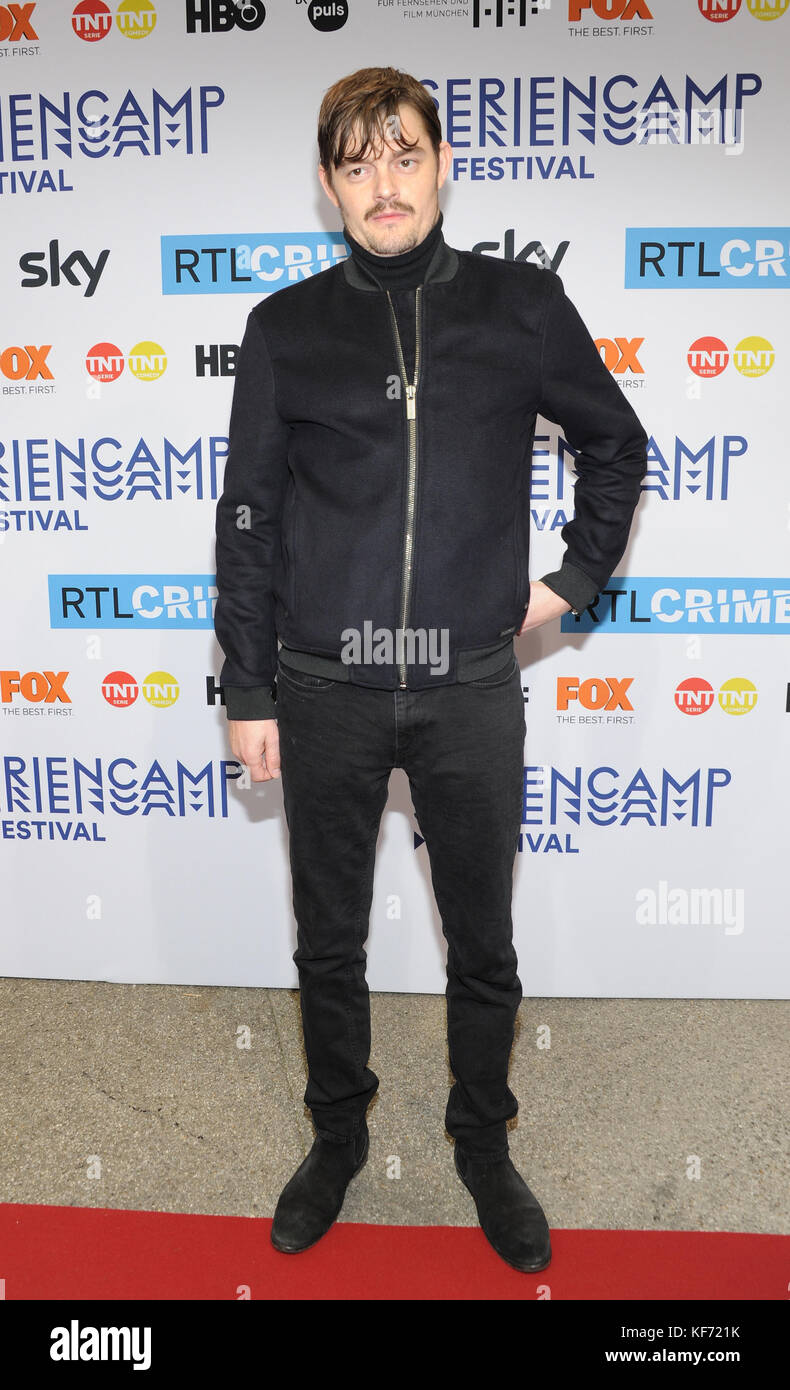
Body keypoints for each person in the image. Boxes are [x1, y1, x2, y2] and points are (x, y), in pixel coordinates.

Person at [214, 66, 648, 1274]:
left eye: (403, 155)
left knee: (483, 937)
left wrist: (572, 581)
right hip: (324, 684)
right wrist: (248, 689)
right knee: (326, 941)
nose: (382, 183)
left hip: (464, 684)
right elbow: (247, 517)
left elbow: (615, 445)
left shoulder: (519, 307)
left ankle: (481, 1139)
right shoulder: (286, 329)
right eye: (356, 164)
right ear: (327, 183)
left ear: (444, 163)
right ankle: (336, 1134)